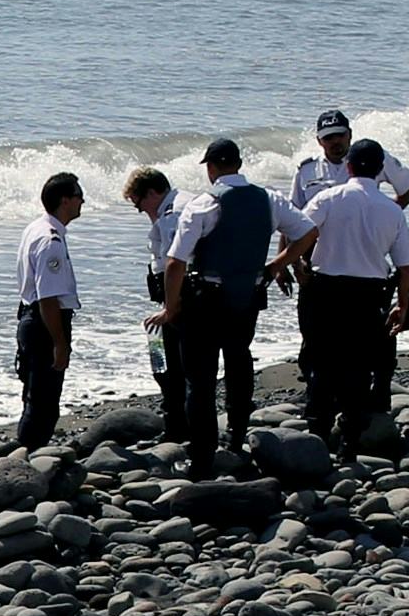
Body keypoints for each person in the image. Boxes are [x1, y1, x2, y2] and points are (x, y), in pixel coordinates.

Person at [162, 137, 312, 460]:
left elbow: (175, 263)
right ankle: (237, 436)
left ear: (211, 168)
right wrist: (275, 266)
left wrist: (170, 305)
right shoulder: (268, 199)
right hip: (247, 295)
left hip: (206, 298)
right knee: (239, 361)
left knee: (200, 378)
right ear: (240, 165)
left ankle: (203, 454)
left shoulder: (204, 203)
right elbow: (309, 231)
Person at [295, 136, 409, 448]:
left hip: (326, 289)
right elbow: (404, 267)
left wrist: (293, 266)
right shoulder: (392, 210)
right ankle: (351, 436)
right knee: (359, 365)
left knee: (321, 359)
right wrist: (402, 305)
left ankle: (318, 431)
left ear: (348, 166)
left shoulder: (329, 198)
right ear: (380, 171)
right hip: (368, 293)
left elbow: (300, 231)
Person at [122, 168, 200, 447]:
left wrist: (169, 307)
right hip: (178, 296)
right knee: (178, 366)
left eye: (139, 203)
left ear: (153, 193)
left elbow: (177, 264)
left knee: (167, 367)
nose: (140, 211)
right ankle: (180, 425)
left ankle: (178, 429)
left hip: (180, 301)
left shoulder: (172, 216)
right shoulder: (183, 203)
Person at [13, 171, 83, 449]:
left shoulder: (36, 228)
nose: (83, 202)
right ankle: (27, 459)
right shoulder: (50, 239)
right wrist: (60, 344)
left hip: (31, 318)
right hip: (44, 323)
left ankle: (26, 456)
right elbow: (48, 299)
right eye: (79, 196)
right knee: (44, 404)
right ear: (64, 200)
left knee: (34, 397)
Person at [290, 107, 409, 212]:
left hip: (361, 237)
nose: (335, 141)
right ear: (319, 141)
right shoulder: (306, 169)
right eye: (328, 137)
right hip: (319, 239)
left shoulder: (371, 156)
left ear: (350, 134)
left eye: (340, 135)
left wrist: (390, 213)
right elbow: (293, 213)